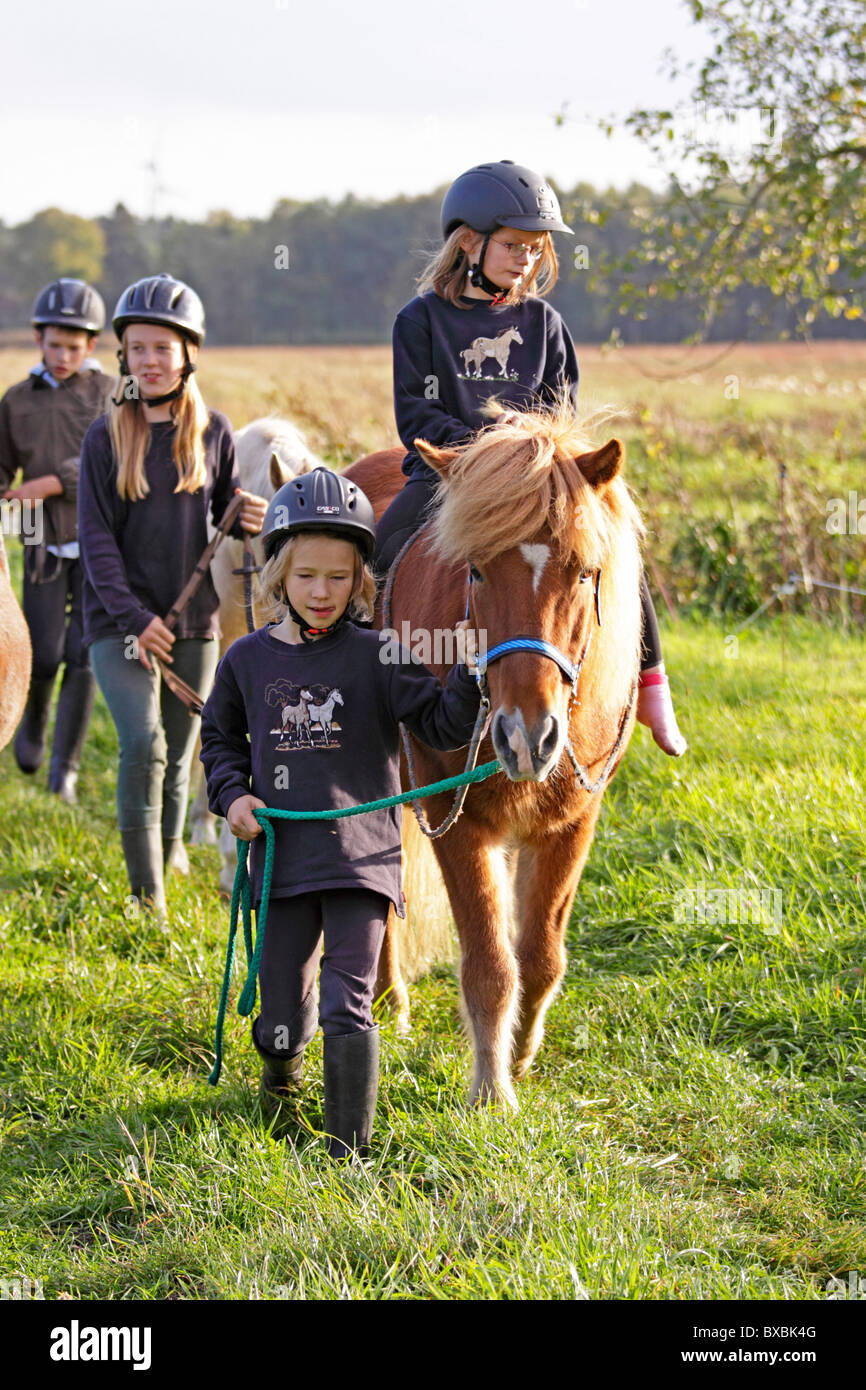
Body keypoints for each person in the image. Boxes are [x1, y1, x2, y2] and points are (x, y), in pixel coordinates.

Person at [199, 468, 481, 1158]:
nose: (320, 593)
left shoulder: (381, 654)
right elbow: (218, 741)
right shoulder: (246, 661)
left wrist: (476, 669)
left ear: (360, 580)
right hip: (282, 865)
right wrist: (233, 796)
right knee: (281, 1014)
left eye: (336, 577)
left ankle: (348, 1149)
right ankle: (280, 1088)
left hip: (364, 862)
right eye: (305, 578)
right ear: (277, 579)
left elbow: (442, 725)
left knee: (347, 1001)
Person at [375, 159, 687, 757]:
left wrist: (532, 439)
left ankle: (652, 683)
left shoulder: (543, 323)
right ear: (468, 242)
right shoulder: (419, 322)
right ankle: (372, 672)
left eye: (535, 247)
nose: (526, 258)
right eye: (513, 245)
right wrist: (489, 446)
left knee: (621, 554)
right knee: (385, 543)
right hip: (453, 478)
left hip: (540, 481)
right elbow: (416, 414)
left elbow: (562, 408)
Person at [77, 273, 267, 914]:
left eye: (163, 347)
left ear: (187, 354)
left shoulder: (212, 431)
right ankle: (146, 896)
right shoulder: (104, 438)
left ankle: (163, 854)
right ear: (123, 356)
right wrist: (133, 619)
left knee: (184, 750)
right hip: (116, 625)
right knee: (145, 744)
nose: (150, 360)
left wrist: (252, 514)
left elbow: (222, 511)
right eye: (137, 348)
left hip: (192, 624)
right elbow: (96, 543)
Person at [0, 279, 112, 802]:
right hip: (41, 543)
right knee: (43, 654)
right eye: (54, 344)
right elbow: (4, 473)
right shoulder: (16, 400)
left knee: (82, 656)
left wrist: (50, 482)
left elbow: (108, 460)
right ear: (38, 339)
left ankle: (63, 770)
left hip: (97, 542)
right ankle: (31, 728)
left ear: (91, 346)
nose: (63, 355)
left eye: (75, 345)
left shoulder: (112, 394)